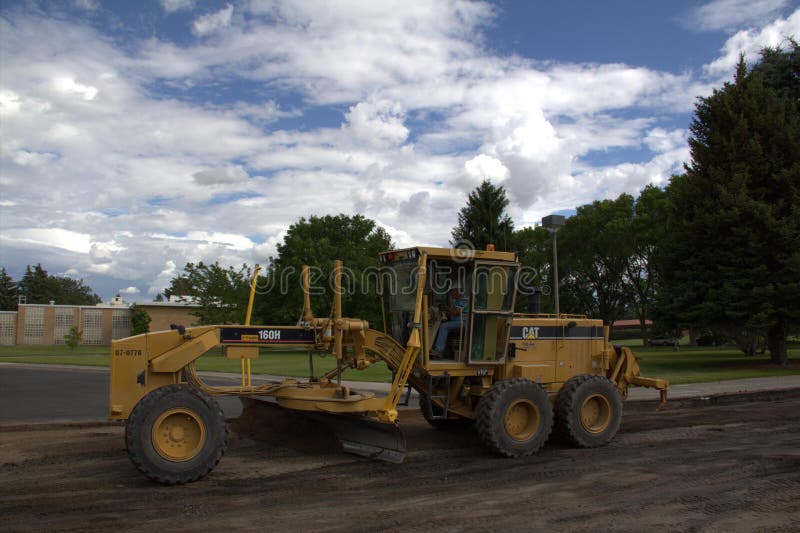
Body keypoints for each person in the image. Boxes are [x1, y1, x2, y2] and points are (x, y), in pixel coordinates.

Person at [431, 287, 469, 357]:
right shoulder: (457, 301)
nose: (451, 295)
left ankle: (439, 350)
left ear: (457, 292)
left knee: (444, 326)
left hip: (463, 322)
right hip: (456, 321)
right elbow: (452, 313)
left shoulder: (463, 300)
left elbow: (455, 312)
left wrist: (446, 307)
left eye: (451, 293)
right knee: (441, 325)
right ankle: (437, 347)